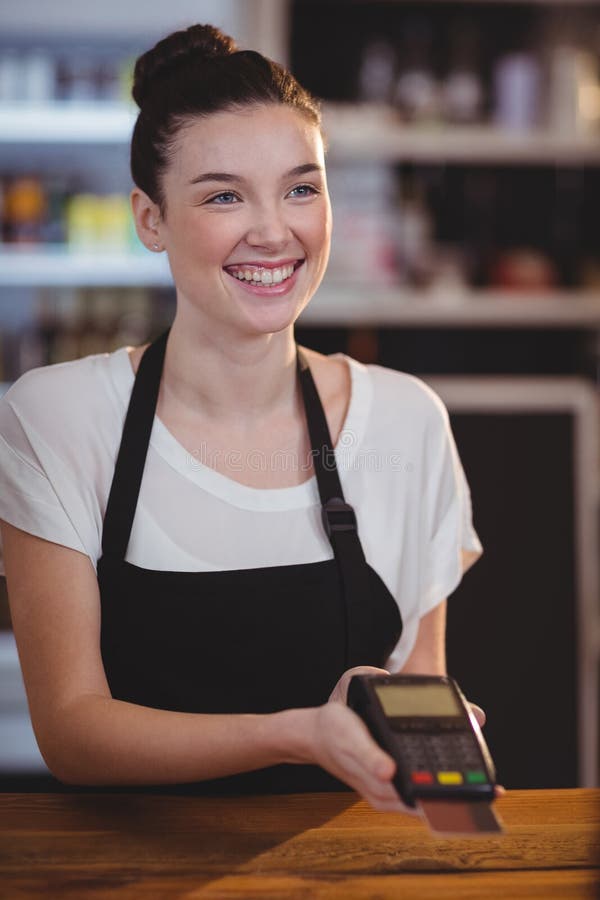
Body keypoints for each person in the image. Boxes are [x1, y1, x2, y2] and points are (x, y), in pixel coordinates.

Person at [0, 24, 485, 810]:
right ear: (150, 219)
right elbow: (72, 733)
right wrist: (297, 733)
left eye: (301, 187)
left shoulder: (407, 422)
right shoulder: (57, 418)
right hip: (128, 878)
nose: (273, 230)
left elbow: (419, 704)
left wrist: (415, 730)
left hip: (342, 873)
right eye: (224, 195)